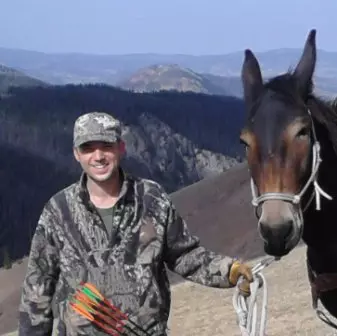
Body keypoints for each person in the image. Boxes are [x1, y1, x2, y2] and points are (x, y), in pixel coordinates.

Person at [18, 111, 254, 336]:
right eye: (88, 148)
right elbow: (37, 290)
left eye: (106, 146)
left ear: (121, 148)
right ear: (76, 154)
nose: (98, 156)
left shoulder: (151, 198)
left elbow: (183, 255)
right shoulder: (58, 211)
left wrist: (228, 271)